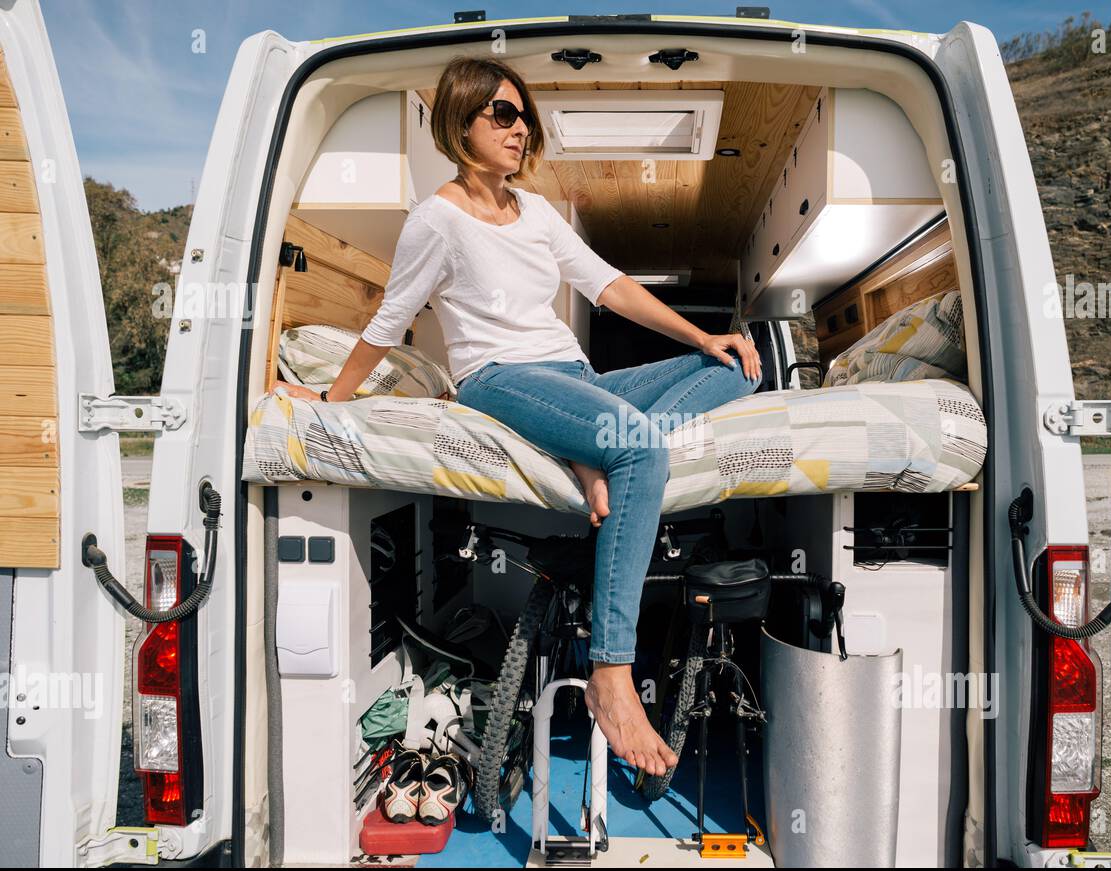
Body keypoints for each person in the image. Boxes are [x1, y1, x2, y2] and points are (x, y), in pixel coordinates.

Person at [274, 55, 761, 777]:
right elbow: (390, 318)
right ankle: (613, 672)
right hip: (499, 379)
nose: (519, 126)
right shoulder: (436, 219)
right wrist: (331, 399)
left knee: (733, 372)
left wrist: (701, 335)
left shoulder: (535, 210)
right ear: (459, 123)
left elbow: (608, 284)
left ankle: (589, 454)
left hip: (572, 377)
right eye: (501, 112)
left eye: (523, 114)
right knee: (645, 454)